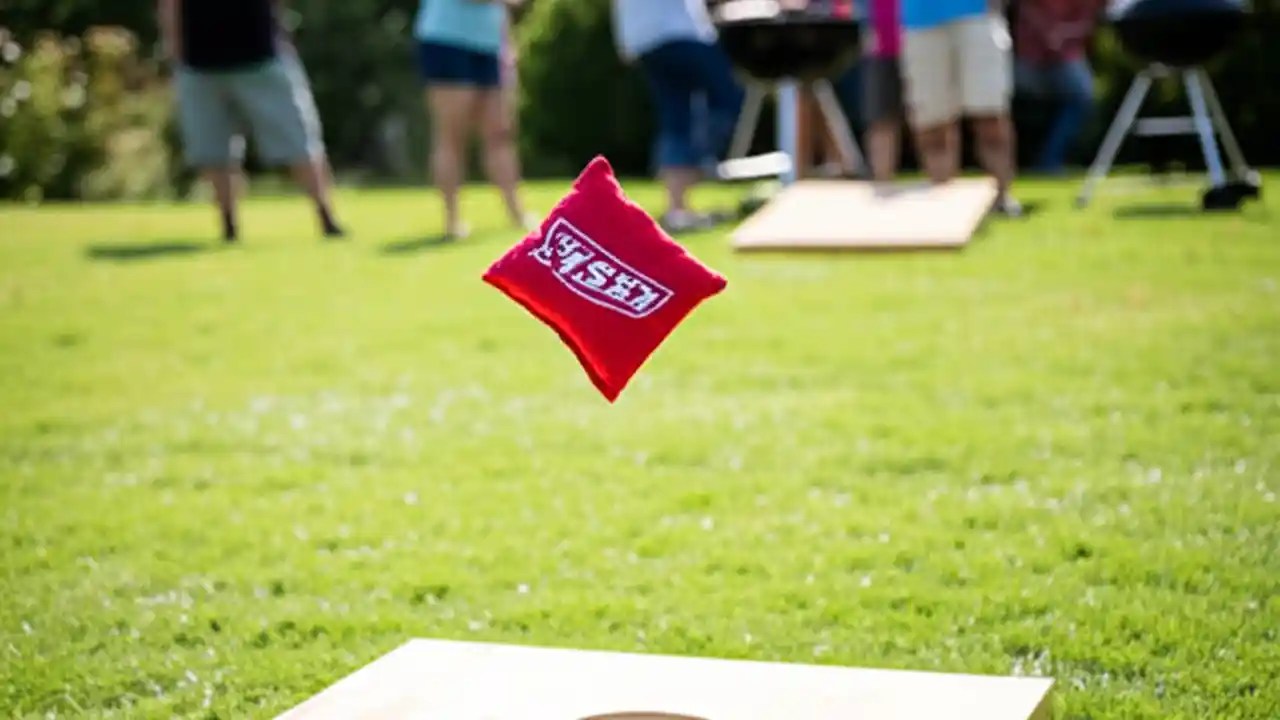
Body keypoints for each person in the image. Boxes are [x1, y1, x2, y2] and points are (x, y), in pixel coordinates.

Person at [157, 0, 345, 243]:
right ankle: (229, 228)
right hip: (200, 62)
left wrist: (283, 35)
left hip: (260, 56)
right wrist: (174, 49)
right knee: (212, 152)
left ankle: (326, 218)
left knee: (299, 142)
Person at [612, 0, 745, 234]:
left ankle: (677, 207)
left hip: (642, 37)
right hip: (679, 32)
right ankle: (700, 165)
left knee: (676, 118)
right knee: (728, 100)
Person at [414, 0, 530, 240]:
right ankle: (452, 220)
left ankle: (517, 213)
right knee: (452, 135)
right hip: (446, 40)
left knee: (500, 133)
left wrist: (507, 44)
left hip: (489, 45)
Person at [899, 0, 1022, 215]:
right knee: (932, 121)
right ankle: (942, 204)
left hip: (979, 15)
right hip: (920, 20)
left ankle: (1002, 199)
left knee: (989, 114)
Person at [1013, 0, 1105, 174]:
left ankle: (1049, 161)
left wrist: (1064, 33)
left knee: (1082, 99)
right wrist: (1048, 32)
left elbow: (1093, 20)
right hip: (1029, 56)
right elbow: (1026, 8)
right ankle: (1040, 160)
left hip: (1066, 54)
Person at [860, 0, 906, 183]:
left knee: (931, 123)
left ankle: (940, 196)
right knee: (881, 121)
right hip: (879, 49)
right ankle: (882, 183)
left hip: (923, 37)